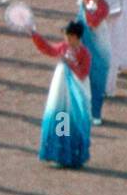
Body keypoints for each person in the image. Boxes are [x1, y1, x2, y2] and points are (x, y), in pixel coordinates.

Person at [29, 19, 93, 168]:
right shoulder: (64, 48)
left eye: (69, 36)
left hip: (76, 92)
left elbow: (83, 74)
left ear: (76, 37)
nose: (66, 39)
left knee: (77, 120)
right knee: (61, 117)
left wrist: (70, 63)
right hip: (61, 89)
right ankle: (60, 154)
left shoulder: (85, 54)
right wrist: (35, 35)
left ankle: (75, 155)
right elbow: (49, 49)